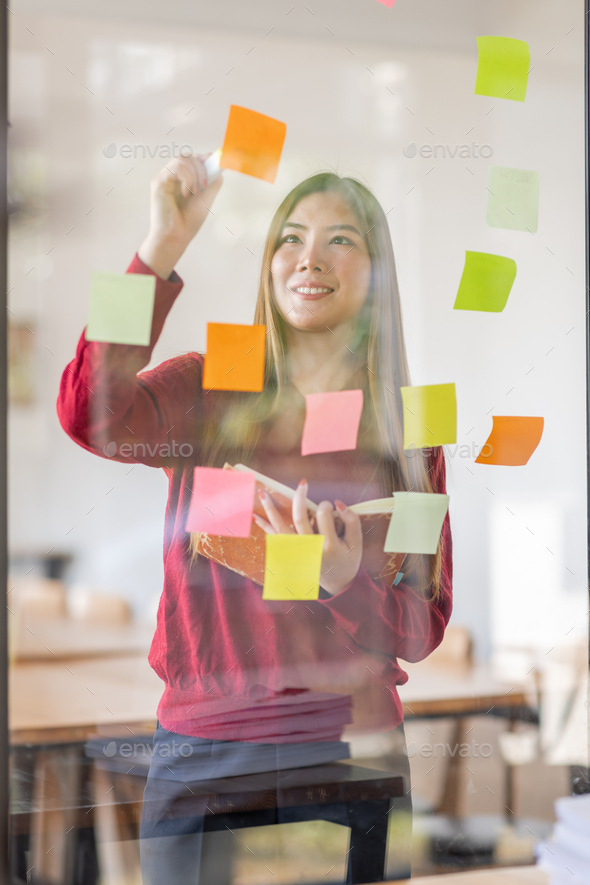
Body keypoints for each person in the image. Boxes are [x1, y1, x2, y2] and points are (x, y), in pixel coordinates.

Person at [57, 154, 453, 884]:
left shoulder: (413, 426)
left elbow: (421, 628)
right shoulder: (215, 384)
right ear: (269, 263)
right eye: (290, 238)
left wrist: (345, 582)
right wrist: (159, 251)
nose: (310, 257)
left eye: (341, 239)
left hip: (353, 757)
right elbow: (88, 413)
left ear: (377, 273)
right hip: (205, 755)